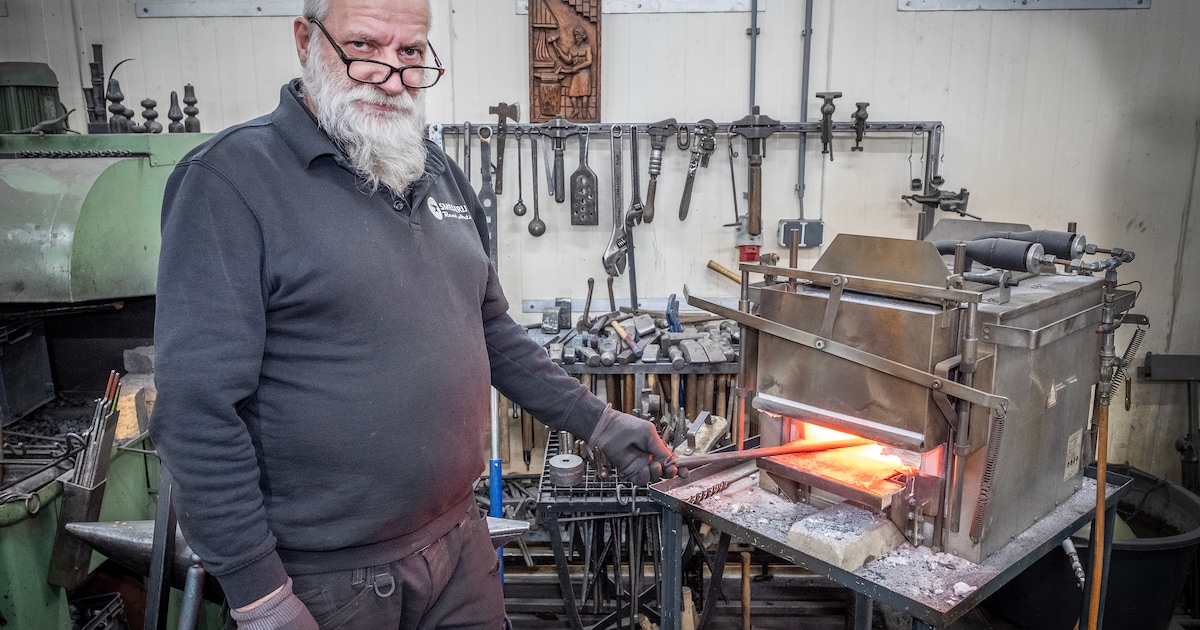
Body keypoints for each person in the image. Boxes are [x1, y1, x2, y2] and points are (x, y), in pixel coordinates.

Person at [150, 0, 680, 628]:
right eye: (365, 48)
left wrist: (599, 422)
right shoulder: (230, 181)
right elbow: (195, 411)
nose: (392, 75)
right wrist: (260, 597)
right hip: (324, 579)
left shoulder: (437, 172)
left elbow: (492, 333)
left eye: (409, 53)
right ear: (305, 40)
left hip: (458, 546)